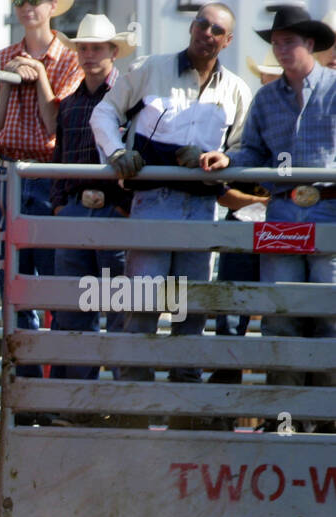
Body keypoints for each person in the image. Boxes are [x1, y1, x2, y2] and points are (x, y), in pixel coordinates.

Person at [91, 3, 251, 386]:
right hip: (154, 200)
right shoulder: (150, 69)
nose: (206, 33)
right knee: (143, 301)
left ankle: (184, 395)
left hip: (201, 206)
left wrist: (222, 158)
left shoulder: (237, 90)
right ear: (192, 27)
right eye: (202, 24)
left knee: (191, 306)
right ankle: (135, 396)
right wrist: (115, 152)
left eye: (216, 30)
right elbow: (104, 113)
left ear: (227, 41)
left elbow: (246, 149)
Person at [201, 6, 336, 413]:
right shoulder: (265, 98)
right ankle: (289, 415)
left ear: (309, 44)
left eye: (288, 41)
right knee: (282, 315)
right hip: (283, 211)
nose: (281, 49)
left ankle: (326, 416)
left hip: (327, 206)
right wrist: (229, 159)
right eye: (276, 43)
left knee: (329, 315)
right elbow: (253, 150)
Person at [0, 0, 82, 391]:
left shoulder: (68, 58)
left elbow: (56, 123)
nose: (27, 7)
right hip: (9, 172)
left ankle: (51, 391)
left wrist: (39, 75)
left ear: (52, 8)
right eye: (21, 2)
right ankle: (28, 389)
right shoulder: (2, 57)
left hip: (47, 175)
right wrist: (6, 78)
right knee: (14, 285)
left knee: (51, 282)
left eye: (35, 1)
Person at [48, 14, 135, 383]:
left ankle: (111, 396)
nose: (88, 54)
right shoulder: (70, 104)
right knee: (75, 307)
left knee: (115, 303)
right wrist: (60, 204)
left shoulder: (131, 101)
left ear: (113, 51)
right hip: (78, 208)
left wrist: (123, 206)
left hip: (111, 211)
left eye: (96, 47)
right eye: (83, 48)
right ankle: (81, 396)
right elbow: (60, 156)